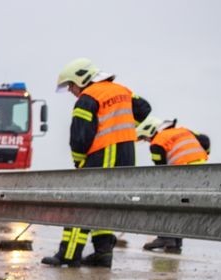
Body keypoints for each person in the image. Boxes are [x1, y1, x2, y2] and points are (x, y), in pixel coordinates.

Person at [44, 58, 151, 268]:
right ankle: (103, 253)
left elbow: (79, 137)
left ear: (80, 79)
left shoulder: (87, 98)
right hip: (126, 156)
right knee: (103, 203)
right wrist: (124, 128)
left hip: (104, 153)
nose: (71, 91)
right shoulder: (122, 90)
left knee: (80, 203)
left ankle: (69, 255)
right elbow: (144, 109)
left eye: (71, 85)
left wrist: (79, 161)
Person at [136, 116, 211, 253]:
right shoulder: (183, 130)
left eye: (145, 138)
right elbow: (205, 140)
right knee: (180, 205)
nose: (147, 141)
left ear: (151, 131)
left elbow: (162, 171)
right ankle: (174, 242)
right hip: (202, 173)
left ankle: (165, 238)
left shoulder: (157, 143)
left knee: (165, 199)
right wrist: (203, 155)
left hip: (183, 172)